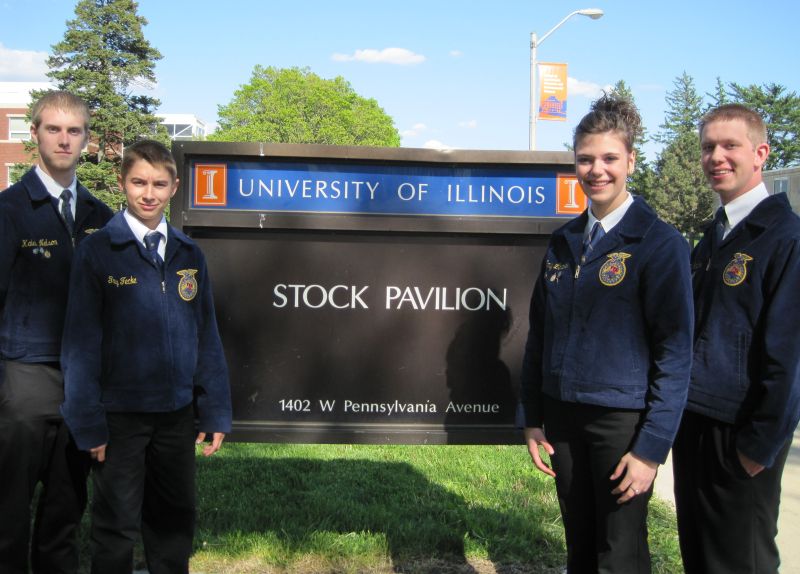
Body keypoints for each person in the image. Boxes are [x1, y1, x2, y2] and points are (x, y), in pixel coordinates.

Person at [520, 93, 693, 573]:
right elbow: (540, 335)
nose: (597, 170)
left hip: (622, 423)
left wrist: (650, 450)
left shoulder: (659, 244)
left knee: (619, 554)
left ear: (631, 161)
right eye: (586, 159)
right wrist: (533, 416)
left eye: (609, 158)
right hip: (563, 418)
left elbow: (675, 353)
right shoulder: (563, 243)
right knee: (578, 545)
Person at [60, 139, 232, 574]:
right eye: (139, 182)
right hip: (118, 418)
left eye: (159, 183)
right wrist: (87, 421)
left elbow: (206, 335)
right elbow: (80, 345)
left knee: (174, 520)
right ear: (122, 183)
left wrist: (214, 410)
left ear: (174, 187)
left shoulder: (189, 255)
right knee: (115, 525)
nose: (148, 193)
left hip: (176, 415)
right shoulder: (97, 252)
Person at [672, 104, 800, 573]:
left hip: (739, 436)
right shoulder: (715, 237)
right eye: (708, 147)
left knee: (740, 561)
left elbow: (789, 356)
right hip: (694, 424)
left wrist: (759, 445)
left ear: (761, 153)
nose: (716, 157)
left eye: (730, 146)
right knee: (701, 559)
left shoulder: (784, 239)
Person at [0, 91, 114, 574]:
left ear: (86, 140)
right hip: (23, 379)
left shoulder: (101, 219)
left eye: (74, 131)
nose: (64, 139)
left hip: (83, 387)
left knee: (65, 512)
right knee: (7, 512)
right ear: (36, 134)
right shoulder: (10, 211)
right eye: (53, 129)